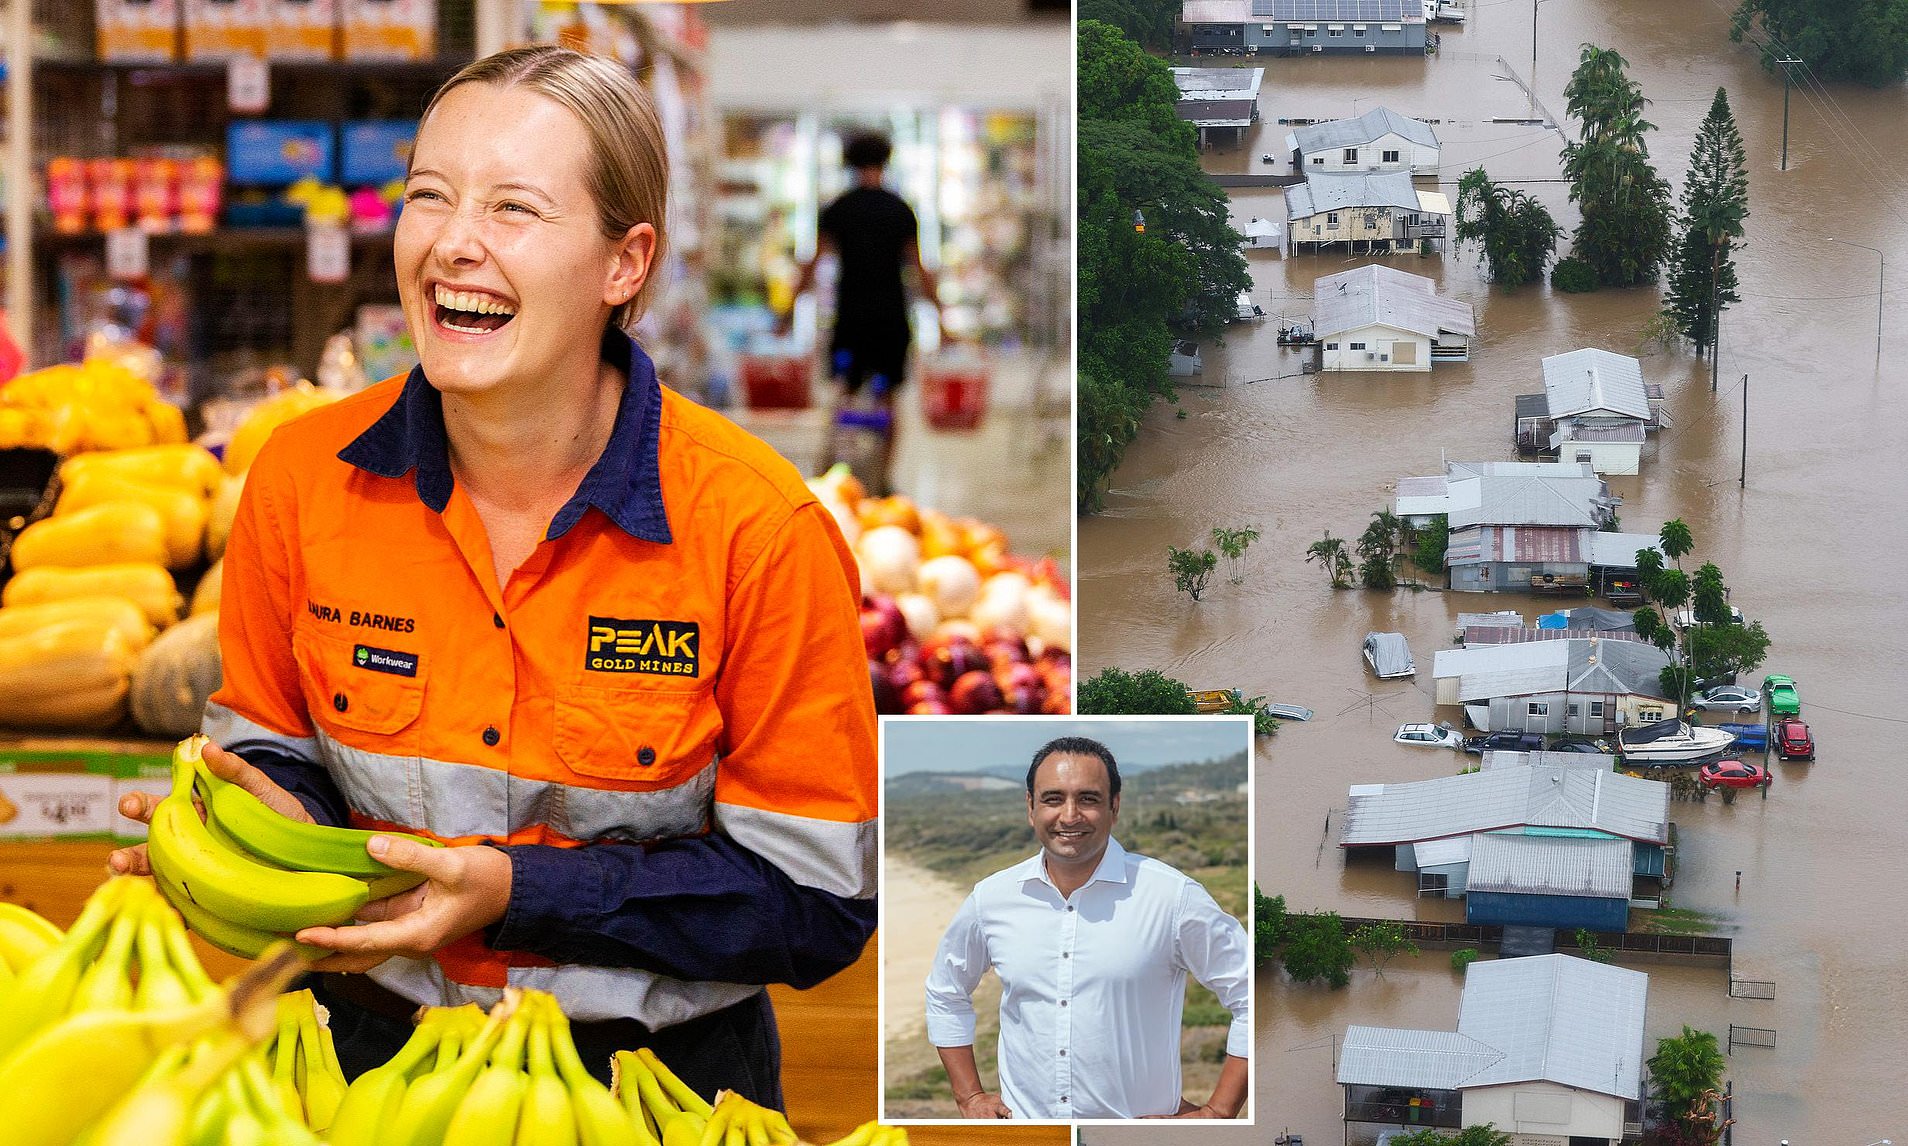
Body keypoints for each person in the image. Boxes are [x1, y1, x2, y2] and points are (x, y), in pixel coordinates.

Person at [108, 46, 877, 1105]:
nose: (454, 245)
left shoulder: (757, 529)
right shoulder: (300, 480)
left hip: (659, 1092)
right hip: (368, 1064)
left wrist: (512, 893)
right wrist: (246, 840)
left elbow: (814, 897)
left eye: (513, 208)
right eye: (429, 196)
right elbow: (277, 753)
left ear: (625, 263)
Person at [923, 737, 1251, 1120]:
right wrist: (969, 1097)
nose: (1070, 815)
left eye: (1089, 799)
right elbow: (945, 991)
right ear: (1031, 807)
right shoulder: (991, 898)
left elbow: (1250, 994)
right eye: (1053, 799)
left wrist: (1219, 1112)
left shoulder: (1172, 897)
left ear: (1114, 806)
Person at [778, 131, 941, 496]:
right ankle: (883, 476)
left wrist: (787, 312)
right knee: (889, 400)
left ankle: (841, 474)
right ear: (886, 161)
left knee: (844, 395)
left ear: (849, 164)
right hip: (891, 319)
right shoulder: (900, 209)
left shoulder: (838, 208)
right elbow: (919, 268)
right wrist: (941, 318)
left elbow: (812, 263)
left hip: (850, 318)